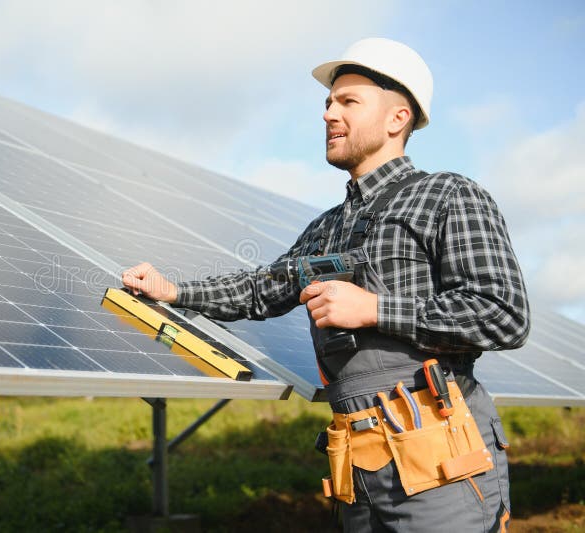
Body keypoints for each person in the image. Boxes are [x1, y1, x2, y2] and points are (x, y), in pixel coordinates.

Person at [122, 37, 529, 532]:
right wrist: (174, 292)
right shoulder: (325, 228)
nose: (329, 113)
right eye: (329, 102)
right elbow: (262, 289)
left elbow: (503, 313)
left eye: (348, 101)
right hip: (357, 468)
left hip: (443, 464)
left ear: (397, 118)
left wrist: (373, 309)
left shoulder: (448, 195)